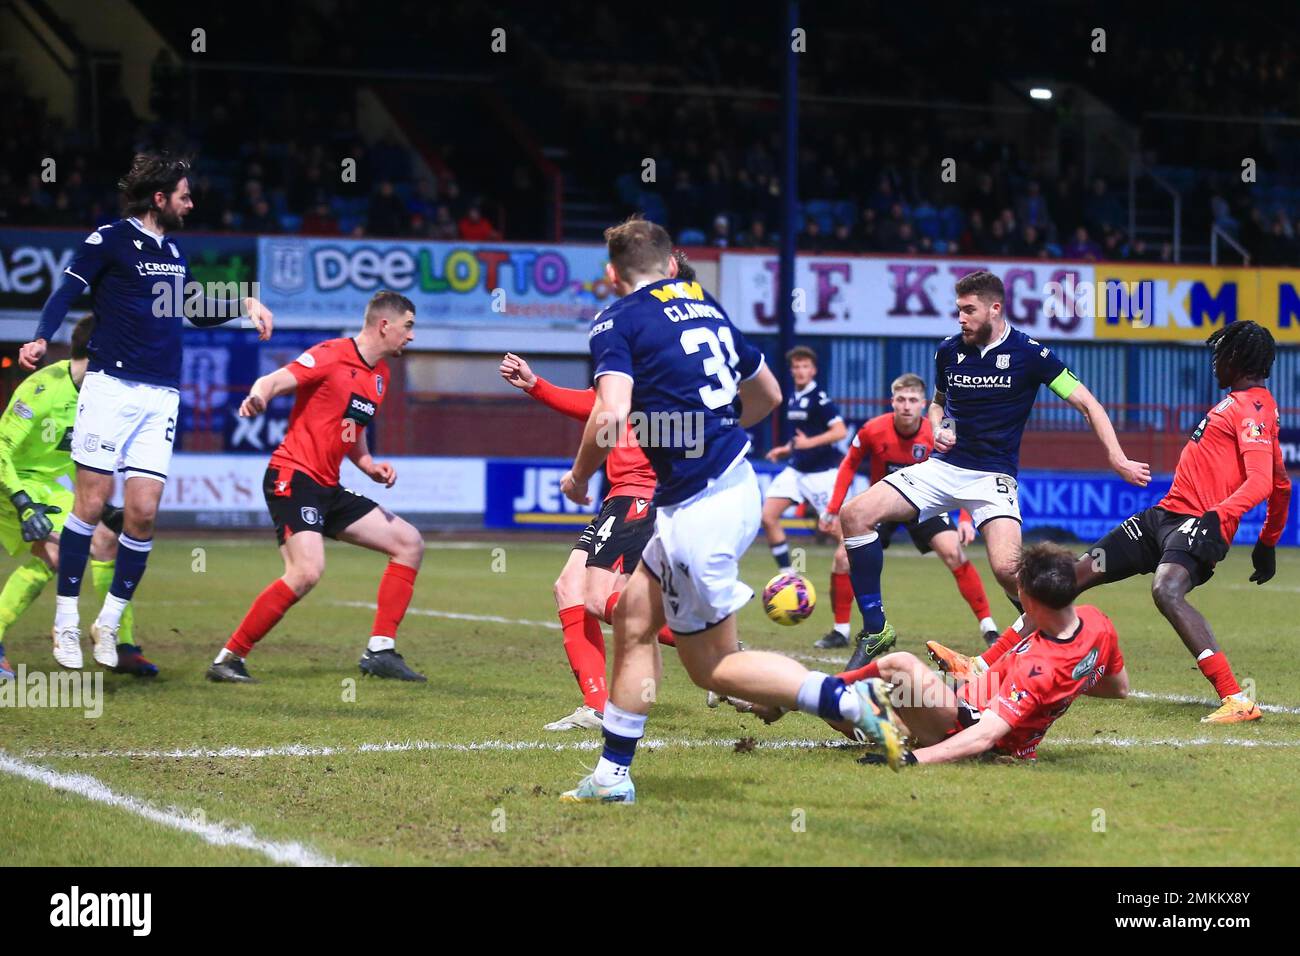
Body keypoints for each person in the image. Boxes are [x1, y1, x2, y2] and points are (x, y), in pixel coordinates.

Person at [557, 216, 900, 802]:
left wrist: (580, 474)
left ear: (613, 274)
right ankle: (613, 775)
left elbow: (610, 414)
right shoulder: (701, 301)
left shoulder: (615, 319)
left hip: (699, 509)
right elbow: (768, 394)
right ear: (670, 265)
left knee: (711, 669)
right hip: (725, 485)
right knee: (635, 624)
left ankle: (848, 699)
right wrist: (712, 433)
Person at [934, 321, 1290, 725]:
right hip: (1161, 520)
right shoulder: (1247, 405)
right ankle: (982, 665)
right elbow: (1280, 483)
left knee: (1167, 590)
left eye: (1218, 354)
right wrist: (1268, 542)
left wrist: (1218, 518)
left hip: (1196, 527)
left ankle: (1236, 698)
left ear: (1237, 358)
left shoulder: (1253, 407)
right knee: (1068, 577)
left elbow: (1262, 481)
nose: (1213, 363)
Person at [20, 152, 274, 670]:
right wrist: (41, 337)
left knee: (143, 514)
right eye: (184, 195)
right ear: (160, 199)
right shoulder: (109, 239)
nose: (191, 202)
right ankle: (66, 621)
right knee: (91, 505)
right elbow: (67, 289)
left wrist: (244, 302)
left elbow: (193, 311)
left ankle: (107, 624)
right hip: (111, 387)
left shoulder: (174, 253)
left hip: (161, 395)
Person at [836, 270, 1149, 671]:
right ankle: (876, 628)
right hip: (941, 468)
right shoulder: (948, 351)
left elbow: (1089, 404)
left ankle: (1056, 636)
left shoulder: (1031, 354)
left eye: (969, 310)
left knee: (1007, 569)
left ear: (995, 309)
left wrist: (1117, 457)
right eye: (958, 310)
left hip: (991, 477)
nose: (961, 318)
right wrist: (939, 425)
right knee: (854, 515)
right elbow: (937, 404)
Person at [728, 543, 1129, 765]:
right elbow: (1118, 688)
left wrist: (916, 761)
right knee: (846, 712)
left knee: (899, 664)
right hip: (961, 701)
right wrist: (1064, 682)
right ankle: (780, 701)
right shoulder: (1096, 622)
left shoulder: (1037, 666)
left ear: (1033, 600)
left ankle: (788, 694)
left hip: (969, 728)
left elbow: (987, 735)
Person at [206, 291, 425, 683]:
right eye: (408, 326)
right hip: (294, 476)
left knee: (408, 543)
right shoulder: (330, 353)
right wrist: (258, 396)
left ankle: (380, 650)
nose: (411, 336)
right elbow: (273, 380)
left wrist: (369, 464)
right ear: (384, 325)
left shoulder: (380, 376)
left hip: (328, 487)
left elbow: (352, 429)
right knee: (306, 571)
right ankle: (229, 658)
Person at [499, 352, 677, 730]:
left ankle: (710, 646)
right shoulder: (626, 376)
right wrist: (535, 385)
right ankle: (596, 706)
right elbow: (596, 409)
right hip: (620, 499)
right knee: (569, 589)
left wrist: (579, 477)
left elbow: (609, 416)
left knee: (600, 600)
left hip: (638, 497)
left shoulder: (651, 375)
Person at [0, 316, 155, 677]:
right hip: (9, 481)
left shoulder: (98, 396)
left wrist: (102, 509)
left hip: (43, 485)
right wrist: (23, 503)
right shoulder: (43, 390)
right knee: (54, 551)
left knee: (105, 542)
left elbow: (77, 456)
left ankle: (122, 643)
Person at [818, 373, 997, 653]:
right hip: (885, 505)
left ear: (923, 404)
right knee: (842, 558)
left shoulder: (937, 434)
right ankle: (840, 631)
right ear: (892, 401)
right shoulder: (872, 430)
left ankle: (989, 627)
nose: (906, 406)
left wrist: (965, 520)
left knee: (954, 553)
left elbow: (960, 474)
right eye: (900, 399)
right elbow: (849, 464)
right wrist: (832, 509)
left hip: (926, 504)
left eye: (913, 400)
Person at [761, 346, 847, 579]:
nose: (800, 371)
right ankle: (788, 575)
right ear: (791, 371)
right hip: (796, 471)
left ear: (814, 371)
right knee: (768, 517)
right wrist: (786, 449)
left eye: (805, 366)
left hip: (821, 474)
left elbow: (840, 431)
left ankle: (858, 568)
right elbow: (801, 436)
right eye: (796, 366)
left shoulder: (820, 399)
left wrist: (809, 443)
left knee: (834, 529)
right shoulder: (793, 398)